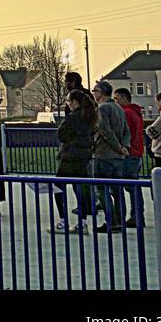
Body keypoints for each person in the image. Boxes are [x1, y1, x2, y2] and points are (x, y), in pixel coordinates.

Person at [90, 81, 131, 232]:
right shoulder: (118, 108)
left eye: (95, 91)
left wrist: (118, 147)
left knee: (101, 189)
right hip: (118, 157)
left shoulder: (101, 108)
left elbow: (105, 131)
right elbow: (126, 130)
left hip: (103, 154)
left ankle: (112, 222)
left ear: (101, 92)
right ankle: (120, 221)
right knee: (118, 191)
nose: (93, 93)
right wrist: (124, 147)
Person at [54, 90, 95, 231]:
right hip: (84, 156)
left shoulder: (73, 117)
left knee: (58, 187)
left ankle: (63, 221)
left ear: (75, 102)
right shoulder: (89, 116)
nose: (68, 104)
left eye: (68, 101)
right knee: (80, 189)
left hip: (70, 156)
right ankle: (83, 222)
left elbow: (61, 134)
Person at [111, 88, 146, 228]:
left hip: (129, 153)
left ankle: (135, 216)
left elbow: (122, 133)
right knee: (134, 186)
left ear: (124, 98)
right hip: (136, 152)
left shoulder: (126, 113)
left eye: (116, 99)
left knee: (130, 187)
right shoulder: (136, 112)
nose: (115, 102)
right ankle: (137, 215)